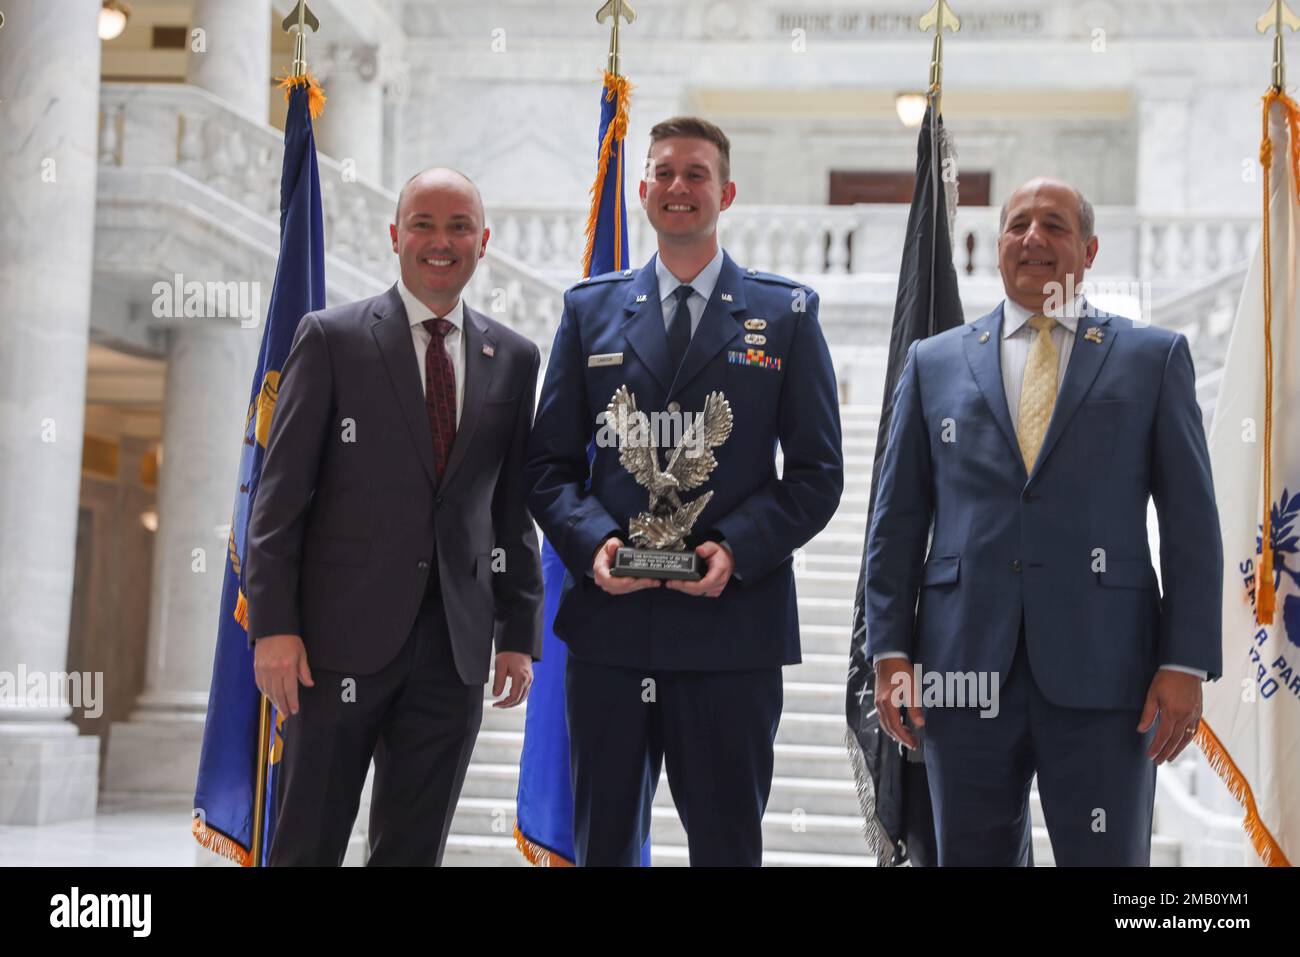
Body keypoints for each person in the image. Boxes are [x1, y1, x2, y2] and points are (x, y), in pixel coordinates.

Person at [864, 177, 1223, 866]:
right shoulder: (932, 362)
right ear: (997, 246)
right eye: (1018, 224)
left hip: (1109, 673)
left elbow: (1191, 525)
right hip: (959, 669)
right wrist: (890, 655)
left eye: (1054, 225)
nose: (1034, 239)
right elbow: (897, 522)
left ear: (1087, 250)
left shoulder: (1152, 358)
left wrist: (1184, 661)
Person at [524, 116, 844, 866]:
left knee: (728, 848)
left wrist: (738, 547)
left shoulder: (784, 315)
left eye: (695, 174)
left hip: (731, 634)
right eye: (664, 172)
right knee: (603, 844)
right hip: (613, 630)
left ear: (725, 191)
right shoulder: (589, 310)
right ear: (641, 191)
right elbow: (548, 465)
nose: (678, 187)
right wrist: (595, 541)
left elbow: (817, 474)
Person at [245, 168, 544, 865]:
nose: (440, 241)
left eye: (458, 226)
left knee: (413, 851)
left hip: (454, 653)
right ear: (395, 235)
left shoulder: (515, 359)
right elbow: (278, 499)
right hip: (330, 648)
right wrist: (275, 628)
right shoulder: (331, 338)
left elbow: (511, 511)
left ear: (483, 242)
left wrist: (518, 630)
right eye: (424, 224)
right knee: (306, 844)